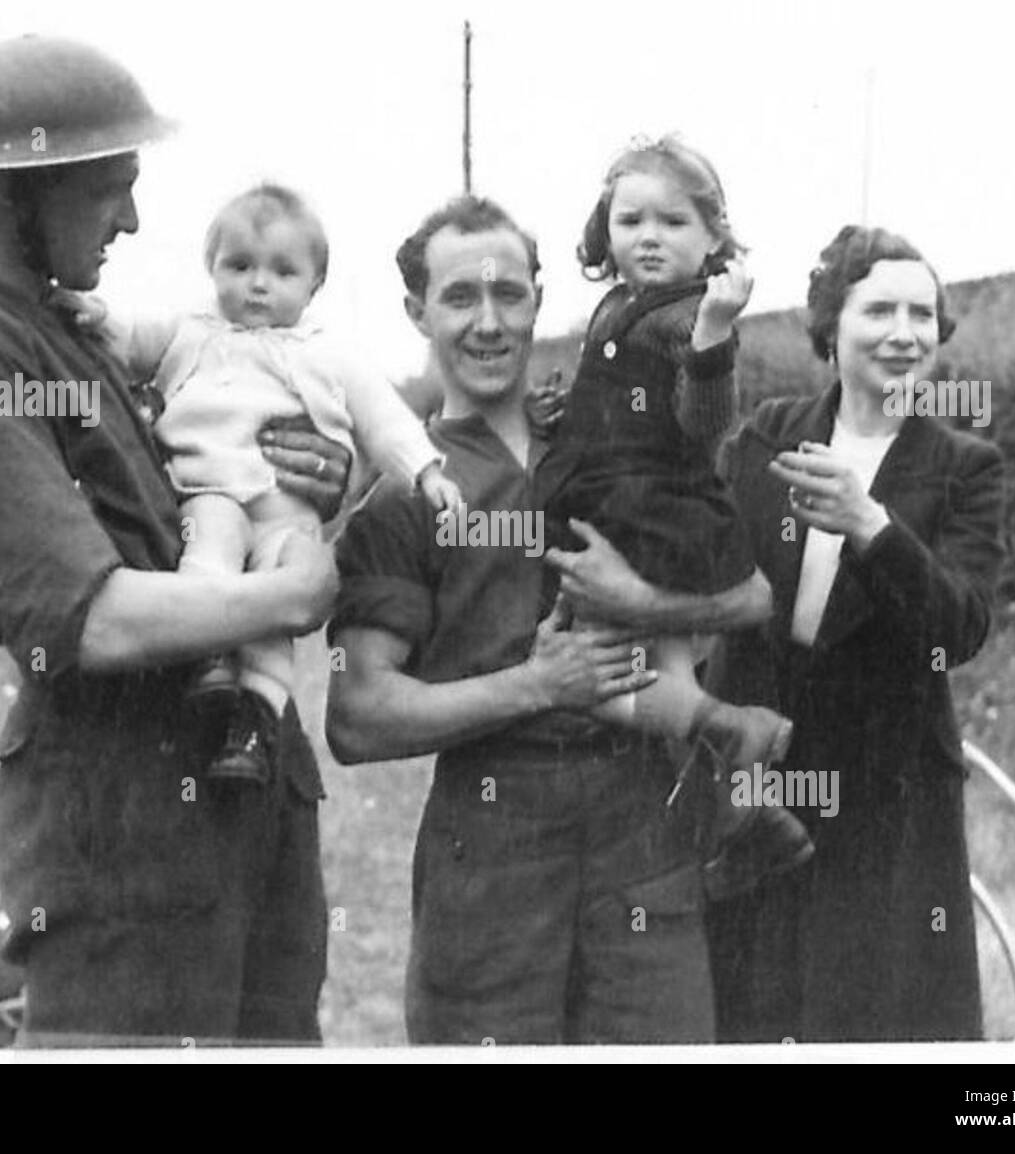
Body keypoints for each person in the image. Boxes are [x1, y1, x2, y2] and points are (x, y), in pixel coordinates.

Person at [0, 35, 351, 1045]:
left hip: (234, 796)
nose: (130, 220)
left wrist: (302, 489)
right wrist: (290, 598)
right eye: (107, 191)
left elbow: (194, 489)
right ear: (17, 190)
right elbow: (95, 619)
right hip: (126, 828)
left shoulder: (65, 325)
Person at [326, 196, 774, 1044]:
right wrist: (535, 685)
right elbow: (357, 715)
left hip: (645, 825)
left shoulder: (618, 440)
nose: (489, 323)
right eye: (460, 298)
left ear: (539, 297)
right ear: (416, 312)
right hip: (493, 841)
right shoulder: (401, 500)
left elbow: (751, 597)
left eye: (509, 295)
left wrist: (646, 606)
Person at [709, 224, 1006, 1042]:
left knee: (877, 1017)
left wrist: (871, 526)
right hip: (763, 769)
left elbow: (960, 626)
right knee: (752, 1007)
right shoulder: (770, 432)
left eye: (922, 313)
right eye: (879, 309)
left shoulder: (965, 466)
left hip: (890, 790)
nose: (903, 333)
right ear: (830, 328)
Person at [95, 181, 460, 778]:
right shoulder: (191, 330)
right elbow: (128, 338)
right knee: (210, 538)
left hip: (286, 511)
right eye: (239, 266)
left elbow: (383, 416)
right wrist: (96, 317)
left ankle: (257, 720)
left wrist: (426, 472)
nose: (258, 284)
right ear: (210, 266)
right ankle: (206, 651)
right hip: (210, 490)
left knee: (284, 588)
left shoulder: (329, 352)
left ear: (315, 284)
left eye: (282, 272)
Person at [532, 137, 811, 893]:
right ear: (606, 229)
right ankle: (750, 820)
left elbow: (701, 421)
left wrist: (716, 333)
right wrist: (559, 417)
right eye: (631, 221)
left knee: (606, 673)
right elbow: (618, 413)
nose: (649, 237)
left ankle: (735, 733)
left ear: (714, 238)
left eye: (674, 222)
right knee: (650, 674)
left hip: (656, 517)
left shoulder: (688, 314)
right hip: (626, 500)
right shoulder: (616, 306)